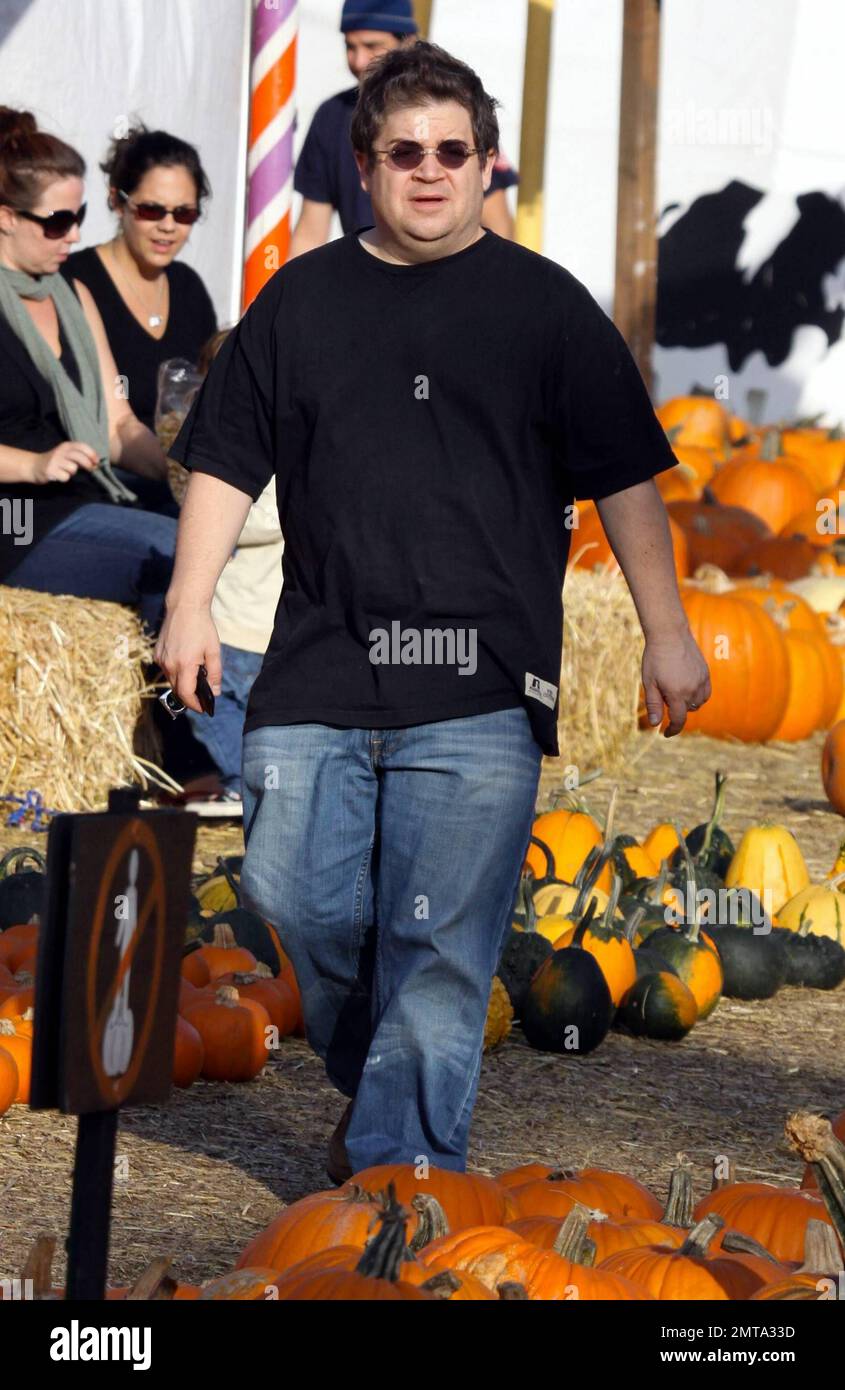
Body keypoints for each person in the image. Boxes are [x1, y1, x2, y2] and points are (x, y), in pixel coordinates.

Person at [157, 42, 711, 1181]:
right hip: (317, 669)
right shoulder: (302, 297)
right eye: (402, 151)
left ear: (484, 165)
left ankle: (400, 1174)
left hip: (479, 685)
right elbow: (221, 457)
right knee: (291, 903)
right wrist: (189, 602)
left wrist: (667, 631)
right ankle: (382, 1083)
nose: (427, 171)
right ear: (363, 165)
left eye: (450, 152)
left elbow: (624, 479)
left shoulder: (544, 307)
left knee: (438, 949)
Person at [0, 107, 175, 637]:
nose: (72, 236)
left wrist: (182, 469)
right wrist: (34, 465)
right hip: (17, 519)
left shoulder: (72, 294)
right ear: (5, 216)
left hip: (84, 495)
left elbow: (119, 427)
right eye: (56, 222)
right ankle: (186, 716)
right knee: (178, 555)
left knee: (218, 534)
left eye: (78, 219)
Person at [61, 123, 217, 516]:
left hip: (179, 480)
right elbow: (109, 427)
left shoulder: (188, 287)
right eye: (152, 210)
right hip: (103, 483)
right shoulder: (76, 281)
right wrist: (181, 476)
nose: (168, 225)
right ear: (117, 201)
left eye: (184, 213)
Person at [289, 0, 519, 258]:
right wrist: (291, 290)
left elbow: (499, 225)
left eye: (372, 46)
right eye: (350, 47)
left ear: (407, 42)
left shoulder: (457, 111)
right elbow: (310, 231)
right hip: (370, 283)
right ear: (363, 161)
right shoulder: (331, 117)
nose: (358, 60)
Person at [174, 329, 283, 816]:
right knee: (222, 708)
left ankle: (247, 782)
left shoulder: (272, 451)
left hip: (244, 620)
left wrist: (211, 522)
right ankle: (252, 784)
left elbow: (264, 516)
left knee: (209, 702)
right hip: (243, 620)